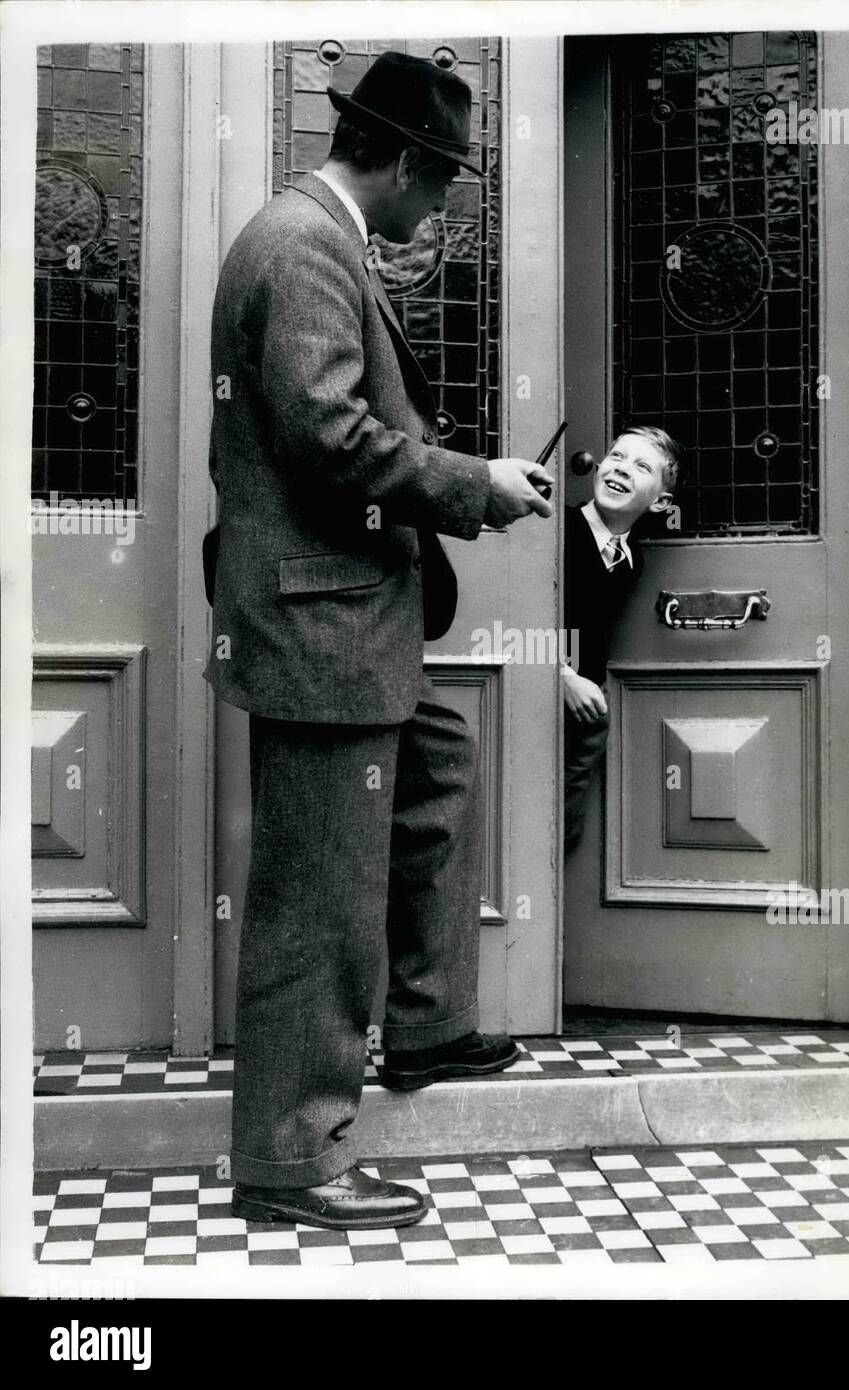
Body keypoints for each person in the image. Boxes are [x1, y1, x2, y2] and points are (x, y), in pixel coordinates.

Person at [204, 51, 553, 1232]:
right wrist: (475, 484)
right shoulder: (305, 245)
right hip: (322, 627)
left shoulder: (315, 237)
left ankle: (421, 1020)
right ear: (401, 162)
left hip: (342, 615)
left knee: (439, 765)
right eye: (442, 183)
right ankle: (292, 1160)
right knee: (319, 900)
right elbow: (330, 437)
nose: (441, 205)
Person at [562, 427, 680, 852]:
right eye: (616, 455)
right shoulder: (562, 531)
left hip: (583, 711)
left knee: (563, 823)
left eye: (641, 466)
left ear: (661, 502)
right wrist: (560, 674)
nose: (621, 468)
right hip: (544, 688)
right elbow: (521, 614)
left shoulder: (632, 560)